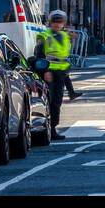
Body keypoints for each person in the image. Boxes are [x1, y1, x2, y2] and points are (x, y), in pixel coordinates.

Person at [35, 10, 73, 140]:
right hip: (49, 72)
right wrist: (45, 71)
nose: (57, 25)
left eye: (60, 22)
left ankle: (54, 128)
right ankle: (49, 129)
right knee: (50, 101)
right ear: (50, 23)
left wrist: (67, 70)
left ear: (63, 23)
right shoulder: (44, 35)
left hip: (61, 73)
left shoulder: (64, 35)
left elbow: (64, 55)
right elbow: (39, 54)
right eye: (55, 22)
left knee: (57, 101)